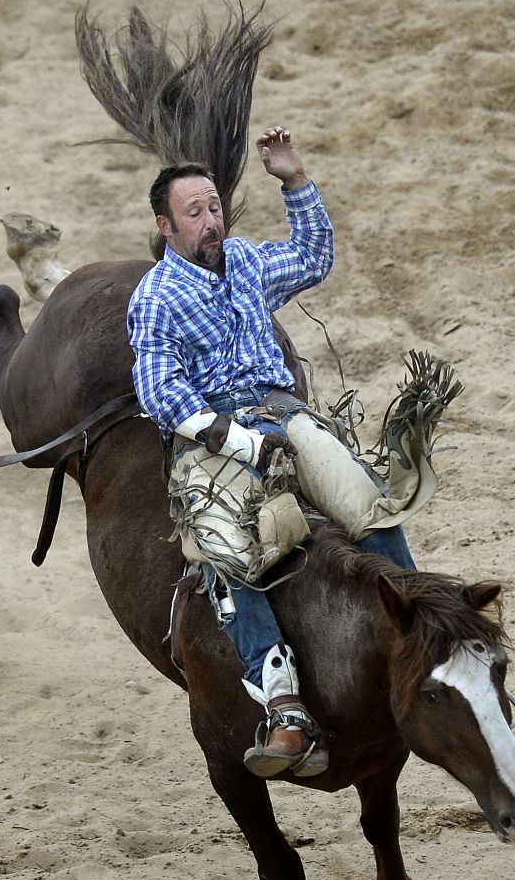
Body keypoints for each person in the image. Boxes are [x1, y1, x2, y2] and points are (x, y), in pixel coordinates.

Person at [127, 128, 416, 779]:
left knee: (371, 503)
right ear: (165, 226)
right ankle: (284, 706)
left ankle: (417, 620)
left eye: (214, 207)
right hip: (213, 438)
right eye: (194, 212)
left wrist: (294, 180)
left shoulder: (249, 262)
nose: (210, 220)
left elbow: (314, 258)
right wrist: (241, 440)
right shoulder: (156, 297)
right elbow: (159, 393)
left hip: (287, 415)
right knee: (228, 550)